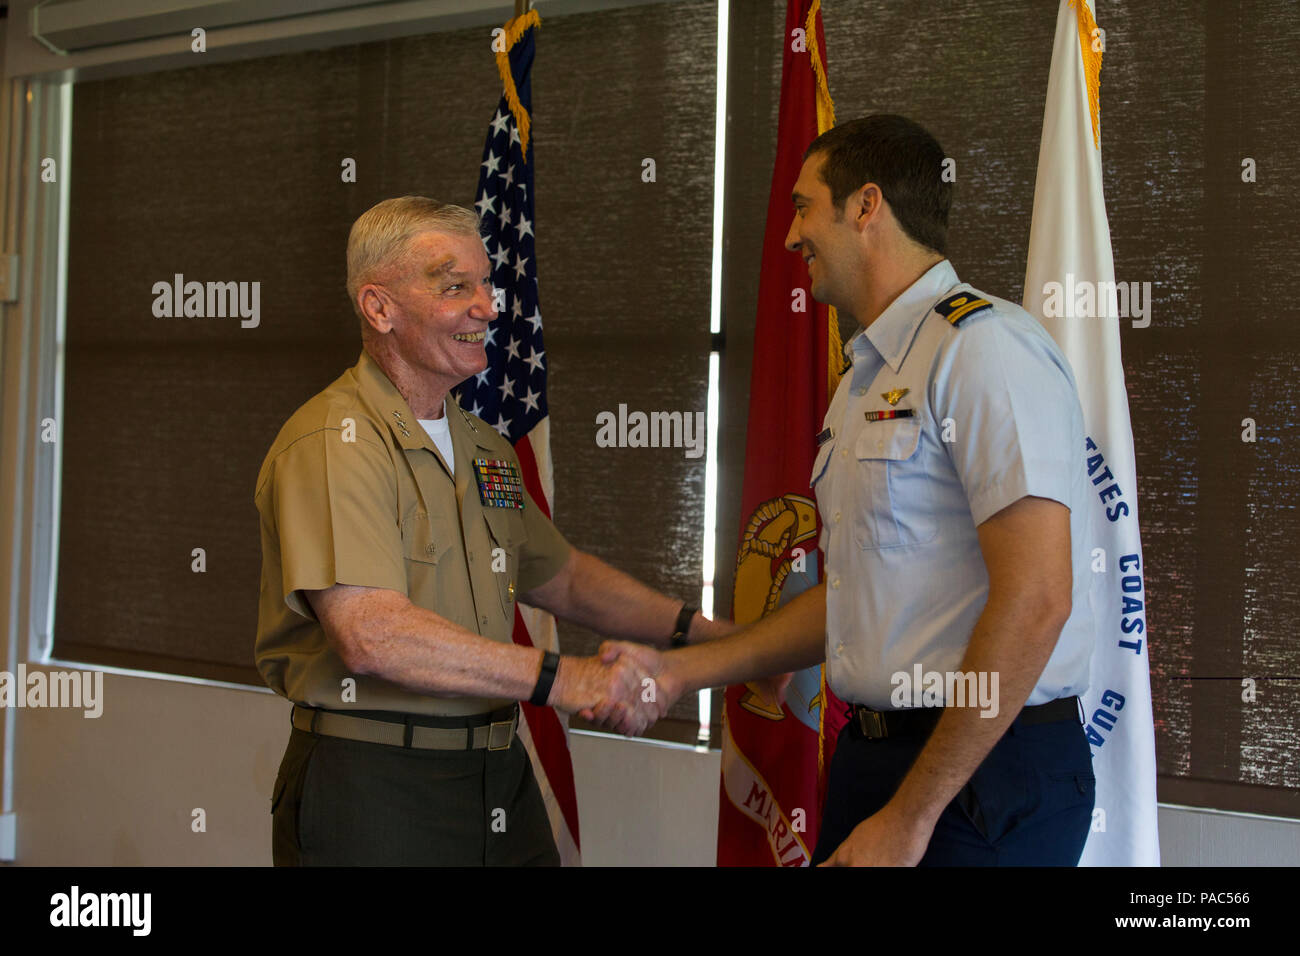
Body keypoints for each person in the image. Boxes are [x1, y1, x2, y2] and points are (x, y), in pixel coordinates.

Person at [608, 114, 1097, 866]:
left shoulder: (983, 348)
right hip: (880, 759)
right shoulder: (866, 375)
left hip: (977, 776)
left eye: (804, 206)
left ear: (867, 206)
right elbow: (855, 595)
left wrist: (911, 817)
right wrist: (679, 671)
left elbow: (1037, 599)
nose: (789, 237)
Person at [254, 196, 729, 866]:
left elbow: (561, 577)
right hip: (376, 781)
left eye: (486, 283)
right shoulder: (336, 441)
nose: (487, 306)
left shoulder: (485, 448)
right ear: (379, 308)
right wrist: (565, 680)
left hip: (498, 773)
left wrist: (712, 640)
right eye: (455, 287)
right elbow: (371, 634)